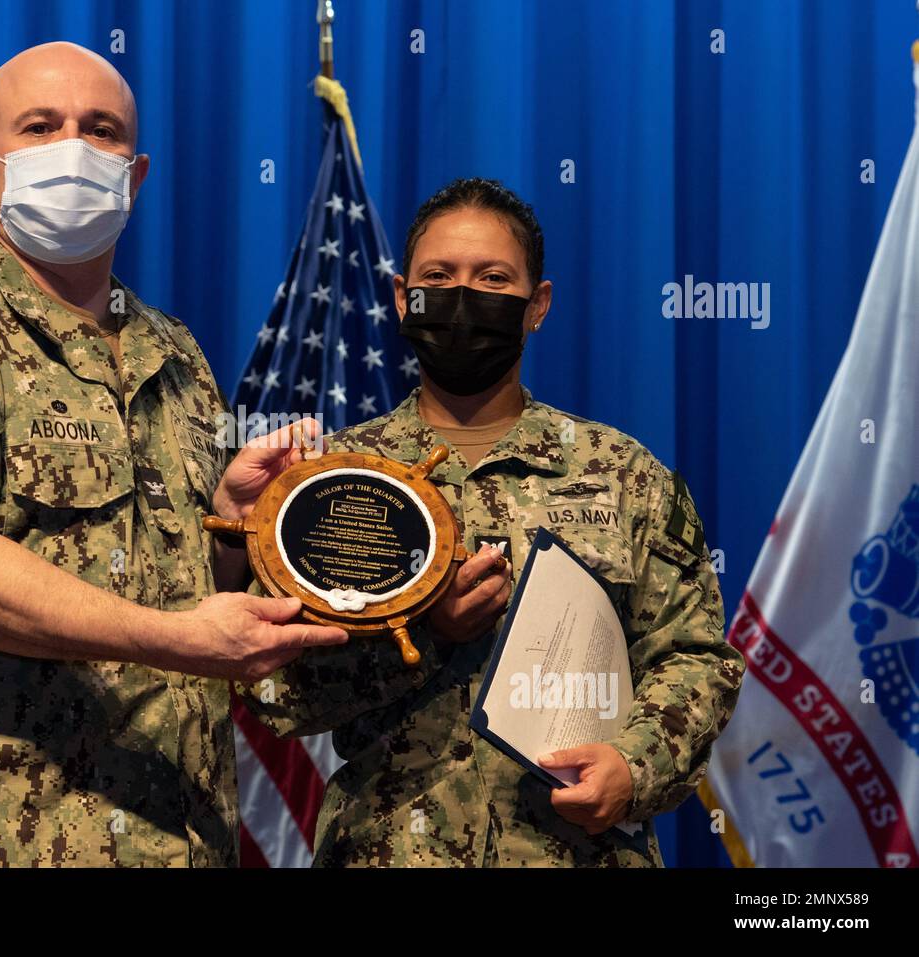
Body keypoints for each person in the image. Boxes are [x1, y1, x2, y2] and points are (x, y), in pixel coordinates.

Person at [0, 41, 344, 868]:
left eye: (101, 130)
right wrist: (175, 638)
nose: (72, 149)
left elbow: (184, 594)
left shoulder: (175, 354)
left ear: (137, 173)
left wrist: (226, 521)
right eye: (40, 127)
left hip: (161, 829)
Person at [243, 178, 746, 867]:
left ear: (536, 305)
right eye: (438, 276)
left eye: (493, 278)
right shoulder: (333, 482)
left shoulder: (624, 473)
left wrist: (634, 767)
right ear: (401, 299)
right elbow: (273, 690)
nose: (461, 298)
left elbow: (695, 657)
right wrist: (418, 629)